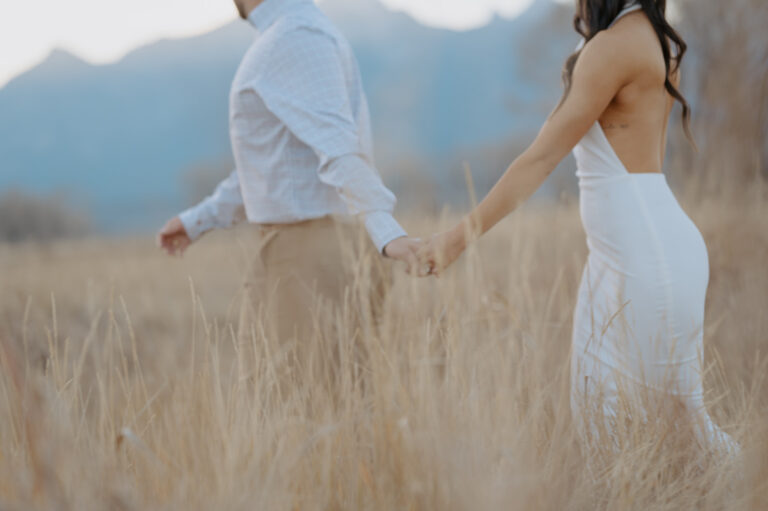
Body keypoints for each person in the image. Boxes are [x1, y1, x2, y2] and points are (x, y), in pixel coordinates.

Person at [417, 0, 736, 453]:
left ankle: (750, 487)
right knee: (630, 429)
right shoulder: (651, 37)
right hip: (629, 252)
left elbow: (542, 158)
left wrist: (455, 240)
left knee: (670, 435)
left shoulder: (613, 47)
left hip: (646, 258)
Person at [157, 0, 421, 346]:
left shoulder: (293, 36)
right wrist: (199, 219)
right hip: (307, 252)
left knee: (312, 395)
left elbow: (339, 148)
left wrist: (388, 234)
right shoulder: (291, 33)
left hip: (308, 258)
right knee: (308, 395)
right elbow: (276, 164)